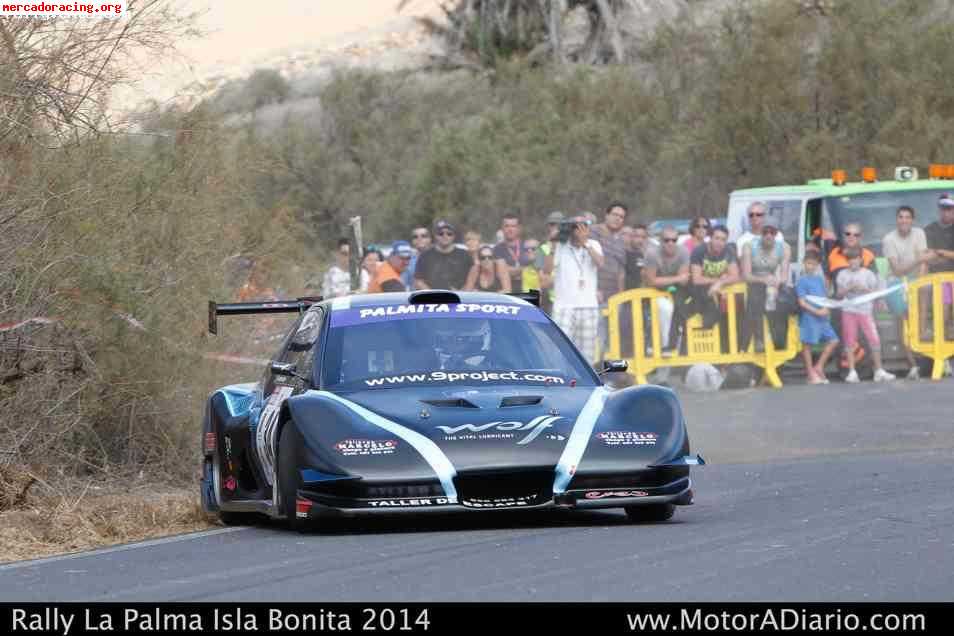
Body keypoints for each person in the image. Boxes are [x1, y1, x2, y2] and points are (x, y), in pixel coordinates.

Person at [545, 215, 605, 364]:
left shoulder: (593, 244)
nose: (577, 231)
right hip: (564, 307)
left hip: (588, 306)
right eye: (574, 227)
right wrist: (552, 246)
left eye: (581, 227)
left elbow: (600, 263)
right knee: (558, 350)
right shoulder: (560, 246)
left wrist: (585, 242)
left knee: (587, 355)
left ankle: (585, 385)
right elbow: (547, 270)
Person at [882, 205, 929, 379]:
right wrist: (918, 260)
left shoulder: (919, 233)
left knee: (922, 313)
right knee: (906, 322)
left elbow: (924, 263)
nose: (904, 220)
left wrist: (920, 282)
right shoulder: (889, 239)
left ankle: (927, 356)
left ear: (912, 220)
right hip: (896, 283)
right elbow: (897, 270)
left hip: (916, 281)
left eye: (907, 217)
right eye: (901, 217)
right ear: (896, 220)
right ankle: (913, 365)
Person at [835, 247, 895, 383]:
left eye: (855, 259)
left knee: (874, 339)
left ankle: (879, 370)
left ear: (860, 260)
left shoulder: (868, 274)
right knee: (849, 341)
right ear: (847, 261)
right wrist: (848, 288)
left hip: (865, 311)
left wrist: (864, 289)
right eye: (849, 260)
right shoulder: (842, 274)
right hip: (848, 311)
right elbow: (838, 295)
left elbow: (875, 292)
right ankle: (851, 372)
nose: (852, 262)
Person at [741, 223, 791, 351]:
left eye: (772, 232)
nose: (768, 235)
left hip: (772, 283)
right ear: (760, 235)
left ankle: (780, 343)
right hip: (754, 281)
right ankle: (757, 340)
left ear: (776, 234)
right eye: (765, 232)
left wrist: (777, 281)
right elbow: (746, 275)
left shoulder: (784, 247)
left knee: (781, 305)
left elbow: (784, 276)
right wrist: (764, 280)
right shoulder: (749, 246)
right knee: (755, 299)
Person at [590, 203, 629, 358]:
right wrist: (593, 289)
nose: (617, 219)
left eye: (621, 217)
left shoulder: (620, 241)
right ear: (606, 215)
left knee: (611, 338)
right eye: (614, 214)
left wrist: (620, 296)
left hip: (614, 296)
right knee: (596, 336)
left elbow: (621, 271)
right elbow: (585, 261)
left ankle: (608, 373)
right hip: (594, 294)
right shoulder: (593, 233)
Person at [643, 226, 690, 349]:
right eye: (667, 240)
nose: (670, 243)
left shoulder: (683, 252)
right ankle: (664, 345)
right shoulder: (652, 253)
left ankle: (678, 345)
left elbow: (684, 280)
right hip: (653, 292)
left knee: (683, 308)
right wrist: (676, 279)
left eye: (674, 240)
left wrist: (673, 281)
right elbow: (651, 281)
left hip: (675, 291)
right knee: (666, 308)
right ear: (660, 240)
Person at [796, 250, 840, 384]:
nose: (811, 266)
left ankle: (819, 367)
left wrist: (826, 308)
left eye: (814, 264)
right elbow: (802, 302)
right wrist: (817, 311)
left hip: (822, 319)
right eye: (808, 263)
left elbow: (823, 297)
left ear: (817, 265)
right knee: (807, 345)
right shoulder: (802, 281)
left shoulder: (820, 280)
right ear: (804, 263)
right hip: (809, 318)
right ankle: (810, 374)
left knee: (834, 340)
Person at [689, 225, 740, 329]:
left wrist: (720, 283)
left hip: (718, 288)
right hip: (698, 290)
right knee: (710, 313)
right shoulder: (699, 251)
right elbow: (696, 279)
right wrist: (719, 280)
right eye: (717, 238)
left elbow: (735, 276)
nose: (719, 242)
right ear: (710, 238)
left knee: (729, 312)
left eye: (723, 239)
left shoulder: (729, 251)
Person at [924, 193, 954, 350]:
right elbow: (928, 256)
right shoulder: (930, 229)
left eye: (949, 208)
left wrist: (941, 252)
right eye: (943, 208)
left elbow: (937, 254)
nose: (946, 211)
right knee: (943, 310)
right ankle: (942, 344)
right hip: (937, 279)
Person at [414, 220, 473, 290]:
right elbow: (418, 281)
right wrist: (432, 294)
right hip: (431, 298)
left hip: (459, 298)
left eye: (449, 234)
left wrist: (460, 294)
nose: (445, 236)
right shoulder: (425, 256)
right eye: (441, 233)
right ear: (435, 235)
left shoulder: (465, 255)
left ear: (454, 236)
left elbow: (471, 280)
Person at [827, 222, 875, 288]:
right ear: (844, 235)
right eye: (848, 234)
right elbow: (827, 280)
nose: (851, 237)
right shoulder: (833, 253)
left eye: (856, 235)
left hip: (864, 296)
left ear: (860, 237)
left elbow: (876, 282)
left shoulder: (869, 255)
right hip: (839, 297)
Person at [493, 213, 529, 293]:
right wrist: (524, 270)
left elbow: (535, 271)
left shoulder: (528, 247)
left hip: (527, 291)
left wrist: (509, 270)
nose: (510, 229)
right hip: (507, 293)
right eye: (507, 226)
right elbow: (500, 272)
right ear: (502, 228)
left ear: (519, 228)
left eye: (513, 226)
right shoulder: (497, 249)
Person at [538, 211, 564, 312]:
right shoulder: (542, 249)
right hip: (551, 301)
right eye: (553, 224)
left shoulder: (571, 247)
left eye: (560, 225)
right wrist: (553, 247)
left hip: (570, 299)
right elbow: (543, 281)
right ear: (548, 226)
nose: (556, 227)